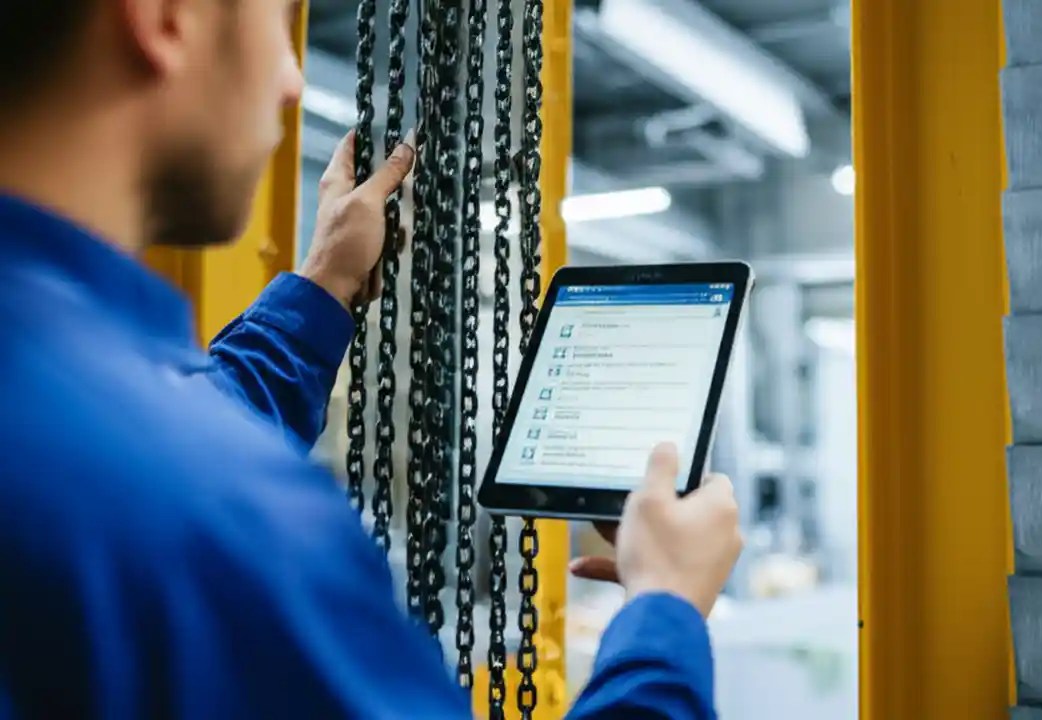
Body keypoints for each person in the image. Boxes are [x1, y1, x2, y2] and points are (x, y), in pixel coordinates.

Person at [0, 1, 743, 718]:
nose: (293, 81)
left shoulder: (62, 412)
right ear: (166, 15)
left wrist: (326, 282)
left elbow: (170, 427)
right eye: (279, 18)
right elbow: (177, 471)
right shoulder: (232, 528)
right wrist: (665, 612)